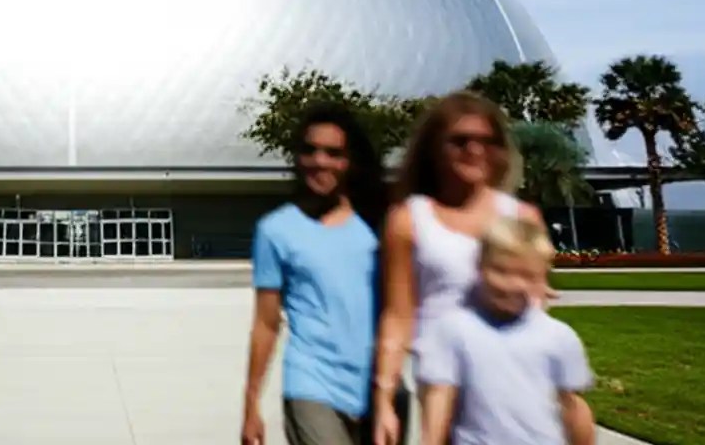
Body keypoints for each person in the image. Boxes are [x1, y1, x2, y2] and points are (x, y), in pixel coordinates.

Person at [371, 91, 550, 445]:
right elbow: (398, 316)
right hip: (446, 383)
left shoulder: (523, 218)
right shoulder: (409, 220)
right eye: (460, 141)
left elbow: (536, 307)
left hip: (514, 378)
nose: (474, 150)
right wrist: (384, 397)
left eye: (487, 141)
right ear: (435, 148)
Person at [241, 103, 389, 445]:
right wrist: (250, 406)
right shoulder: (276, 230)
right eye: (310, 150)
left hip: (378, 386)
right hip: (311, 385)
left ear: (349, 162)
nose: (319, 161)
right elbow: (266, 323)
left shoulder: (379, 225)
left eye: (333, 153)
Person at [417, 217, 595, 445]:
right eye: (501, 271)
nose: (512, 284)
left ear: (542, 276)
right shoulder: (453, 331)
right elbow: (439, 397)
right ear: (479, 265)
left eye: (525, 275)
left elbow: (572, 406)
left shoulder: (559, 337)